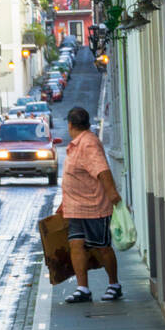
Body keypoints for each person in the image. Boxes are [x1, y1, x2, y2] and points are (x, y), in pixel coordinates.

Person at [57, 106, 123, 303]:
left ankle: (114, 285)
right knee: (76, 245)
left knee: (102, 247)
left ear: (70, 125)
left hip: (94, 207)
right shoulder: (77, 144)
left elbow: (102, 170)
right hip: (75, 207)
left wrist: (112, 194)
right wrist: (64, 203)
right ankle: (83, 288)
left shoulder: (88, 143)